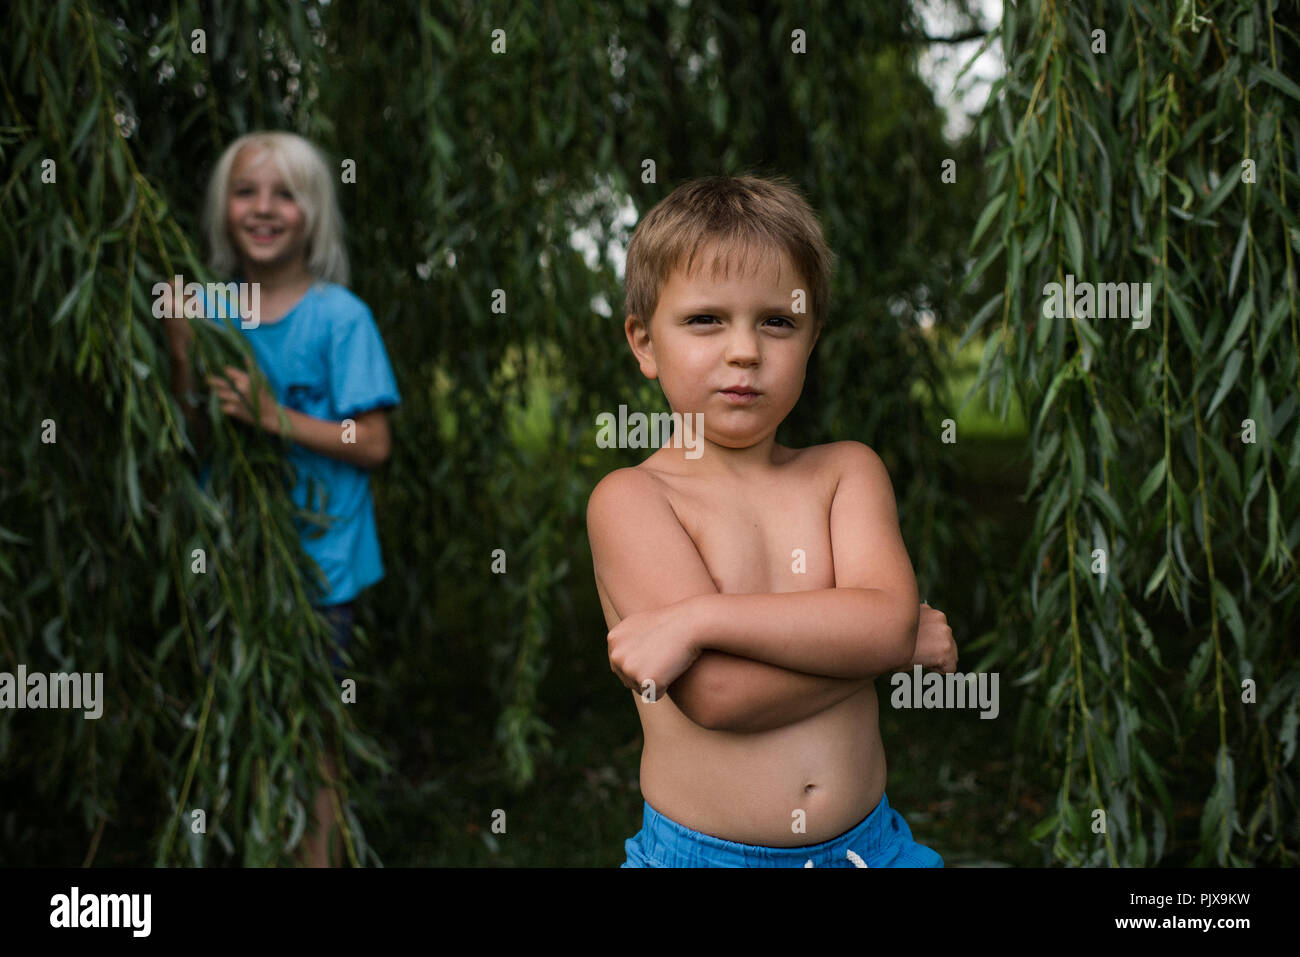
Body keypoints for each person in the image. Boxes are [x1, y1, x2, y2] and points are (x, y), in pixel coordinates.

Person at [586, 175, 957, 867]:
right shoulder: (632, 499)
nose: (745, 351)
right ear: (643, 343)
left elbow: (885, 620)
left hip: (871, 849)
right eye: (705, 320)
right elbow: (720, 696)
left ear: (811, 337)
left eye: (777, 321)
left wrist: (701, 620)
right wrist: (886, 648)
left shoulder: (846, 472)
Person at [161, 131, 400, 867]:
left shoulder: (339, 316)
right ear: (222, 208)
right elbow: (193, 431)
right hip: (231, 561)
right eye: (246, 191)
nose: (264, 208)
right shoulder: (208, 307)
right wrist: (179, 350)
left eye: (285, 193)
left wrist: (274, 416)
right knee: (237, 721)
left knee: (312, 735)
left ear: (313, 212)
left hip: (319, 567)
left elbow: (375, 442)